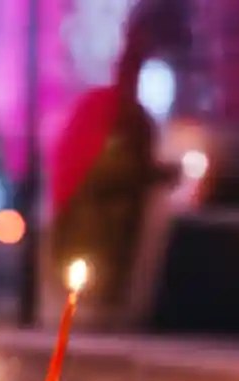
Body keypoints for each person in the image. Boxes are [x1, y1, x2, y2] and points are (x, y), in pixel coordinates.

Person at [48, 0, 186, 326]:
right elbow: (103, 173)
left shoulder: (127, 113)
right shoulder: (108, 111)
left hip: (111, 244)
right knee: (92, 320)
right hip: (96, 243)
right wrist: (155, 174)